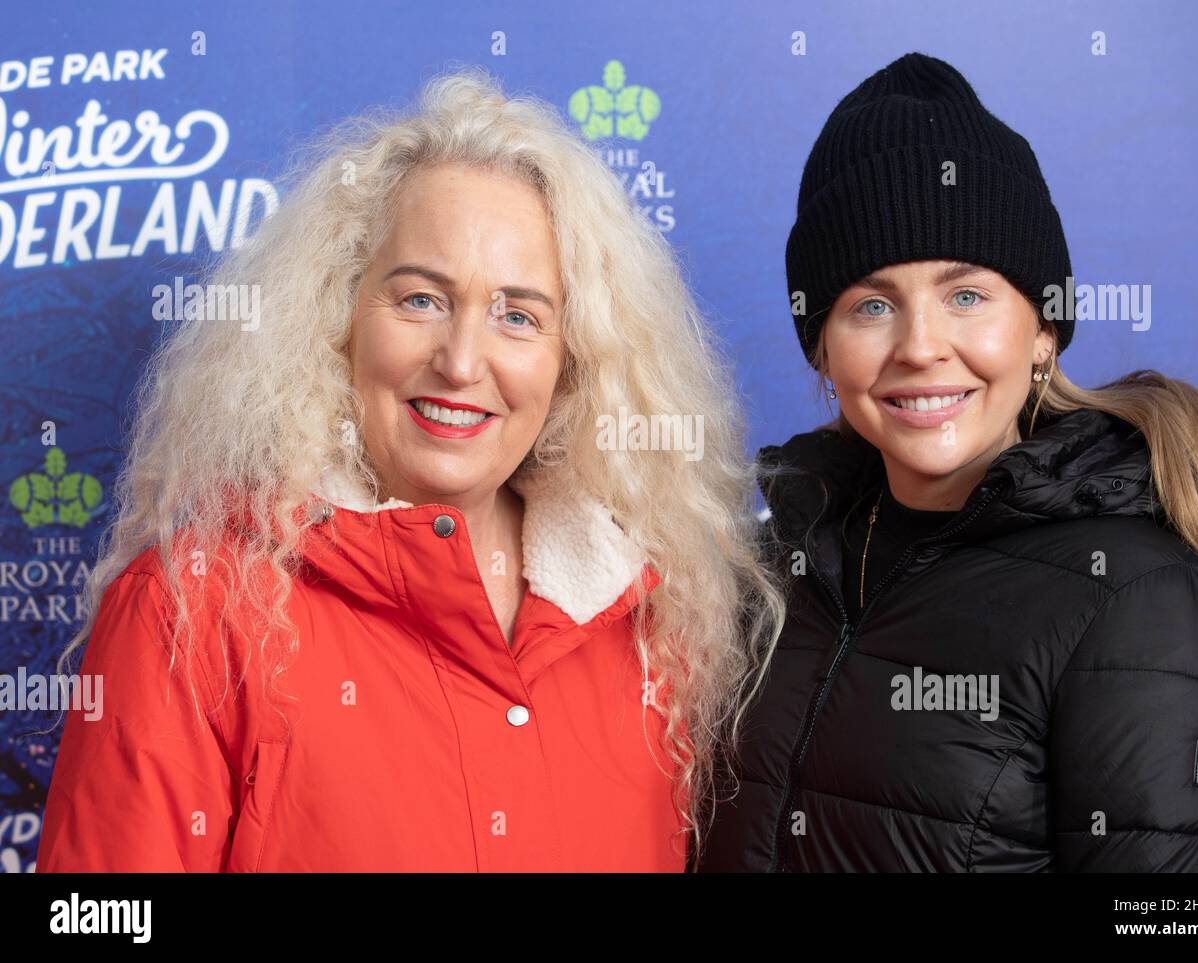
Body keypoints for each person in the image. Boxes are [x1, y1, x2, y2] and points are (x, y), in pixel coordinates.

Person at [35, 68, 783, 872]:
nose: (462, 362)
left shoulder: (648, 628)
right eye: (421, 299)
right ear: (337, 318)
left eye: (518, 315)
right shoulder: (193, 612)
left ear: (573, 361)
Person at [698, 52, 1198, 872]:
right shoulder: (767, 574)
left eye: (966, 295)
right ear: (822, 350)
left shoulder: (1144, 603)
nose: (922, 346)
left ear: (1042, 330)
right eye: (871, 305)